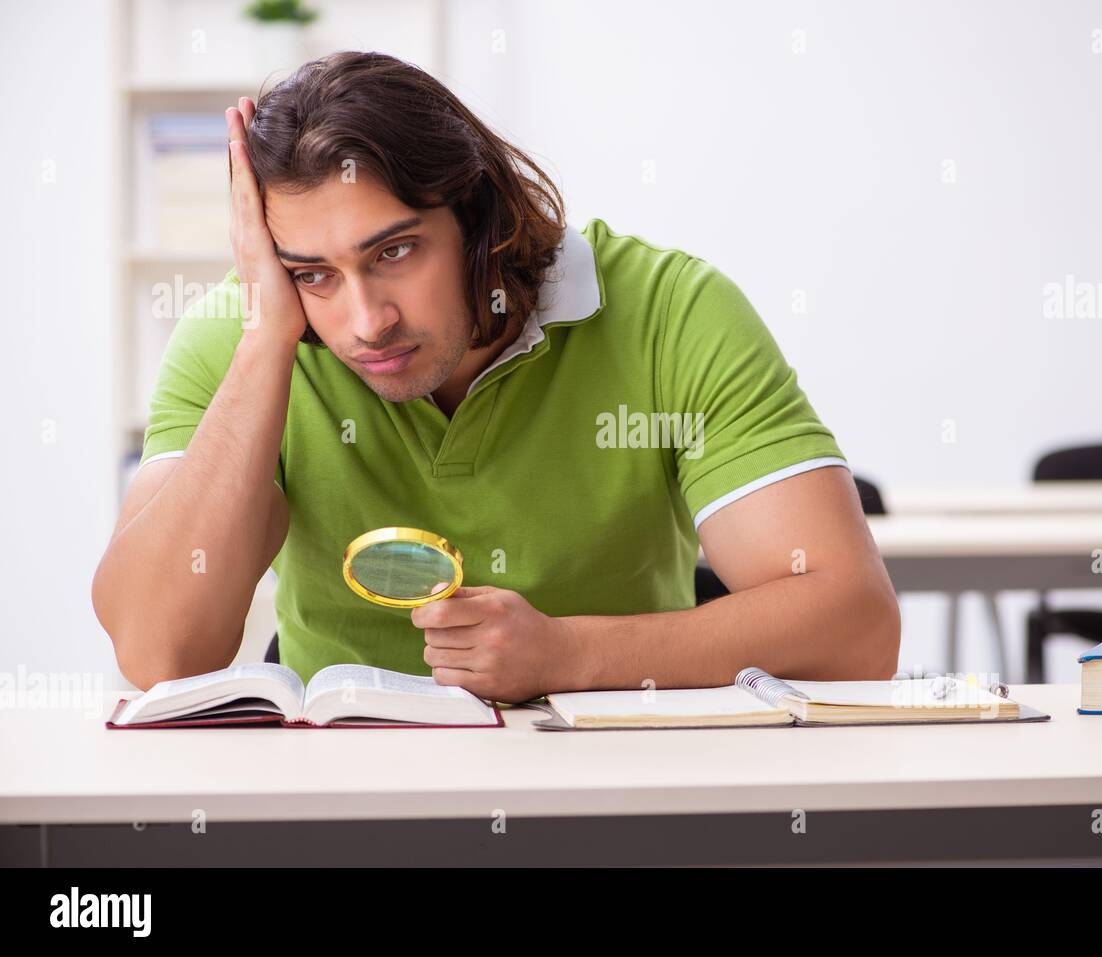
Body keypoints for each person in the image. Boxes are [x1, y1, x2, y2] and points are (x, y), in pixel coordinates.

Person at [91, 51, 899, 704]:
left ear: (481, 214)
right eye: (314, 273)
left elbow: (855, 626)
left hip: (612, 800)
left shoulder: (673, 311)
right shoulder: (250, 334)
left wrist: (568, 653)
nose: (366, 320)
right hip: (341, 809)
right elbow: (159, 651)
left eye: (394, 252)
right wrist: (269, 338)